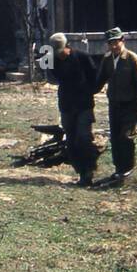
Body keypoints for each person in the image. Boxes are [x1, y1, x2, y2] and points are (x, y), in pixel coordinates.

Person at [94, 27, 137, 186]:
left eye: (116, 43)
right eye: (110, 43)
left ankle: (127, 168)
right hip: (114, 104)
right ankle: (118, 169)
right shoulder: (107, 59)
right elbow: (100, 80)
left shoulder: (132, 59)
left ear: (122, 41)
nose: (113, 46)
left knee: (126, 137)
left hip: (130, 105)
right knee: (116, 138)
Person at [45, 32, 101, 187]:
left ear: (67, 47)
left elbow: (95, 77)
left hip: (83, 104)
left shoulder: (82, 57)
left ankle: (88, 172)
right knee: (71, 141)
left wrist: (88, 91)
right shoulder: (52, 59)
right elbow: (49, 76)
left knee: (83, 138)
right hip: (66, 105)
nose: (59, 55)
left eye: (61, 52)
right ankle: (80, 170)